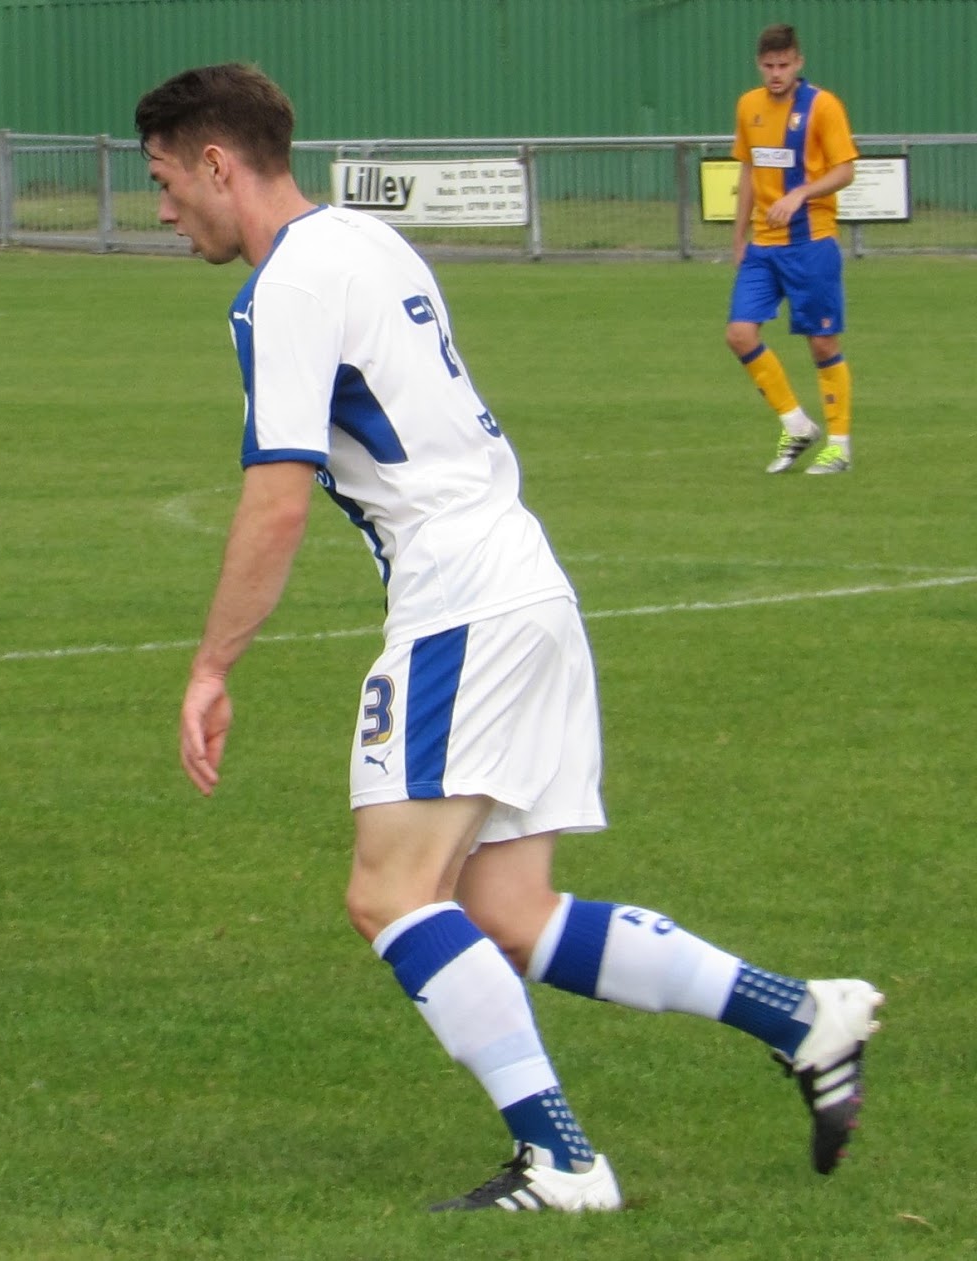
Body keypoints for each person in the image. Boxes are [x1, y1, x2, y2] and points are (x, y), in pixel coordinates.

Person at [138, 62, 881, 1212]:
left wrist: (210, 664)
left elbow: (276, 496)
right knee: (505, 912)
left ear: (216, 164)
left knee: (390, 896)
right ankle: (800, 1015)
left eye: (164, 179)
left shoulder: (284, 286)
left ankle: (563, 1159)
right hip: (524, 579)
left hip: (459, 596)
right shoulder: (365, 241)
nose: (162, 207)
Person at [725, 24, 858, 475]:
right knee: (739, 334)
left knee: (821, 342)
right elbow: (747, 170)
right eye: (768, 66)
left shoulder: (822, 106)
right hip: (763, 246)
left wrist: (802, 193)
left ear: (798, 62)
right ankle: (797, 424)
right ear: (758, 65)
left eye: (784, 65)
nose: (776, 74)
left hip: (812, 242)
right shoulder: (749, 106)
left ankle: (838, 446)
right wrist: (738, 235)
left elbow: (845, 171)